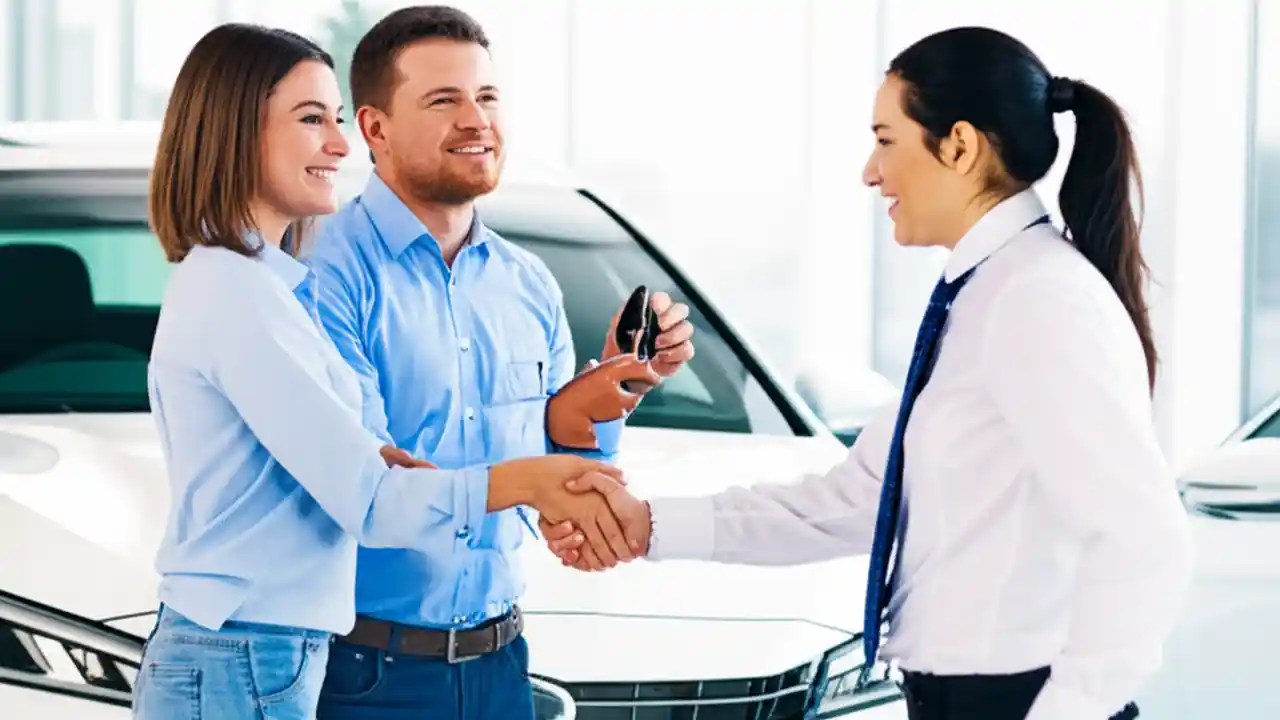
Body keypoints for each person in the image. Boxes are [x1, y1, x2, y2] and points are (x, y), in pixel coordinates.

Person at [545, 26, 1194, 720]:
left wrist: (1067, 710)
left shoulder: (1039, 300)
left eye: (886, 139)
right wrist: (647, 526)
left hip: (1014, 701)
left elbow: (1142, 539)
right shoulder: (984, 296)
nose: (870, 170)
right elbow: (856, 501)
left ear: (961, 146)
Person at [135, 23, 627, 720]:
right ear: (236, 131)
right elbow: (368, 501)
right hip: (246, 652)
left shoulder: (267, 287)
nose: (339, 145)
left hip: (269, 653)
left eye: (334, 120)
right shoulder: (239, 291)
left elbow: (359, 467)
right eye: (313, 120)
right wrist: (520, 479)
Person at [306, 6, 694, 719]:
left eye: (486, 97)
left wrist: (603, 399)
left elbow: (549, 475)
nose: (476, 119)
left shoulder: (530, 286)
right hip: (364, 677)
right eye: (444, 100)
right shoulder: (325, 273)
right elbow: (365, 485)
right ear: (374, 129)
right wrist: (535, 480)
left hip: (502, 668)